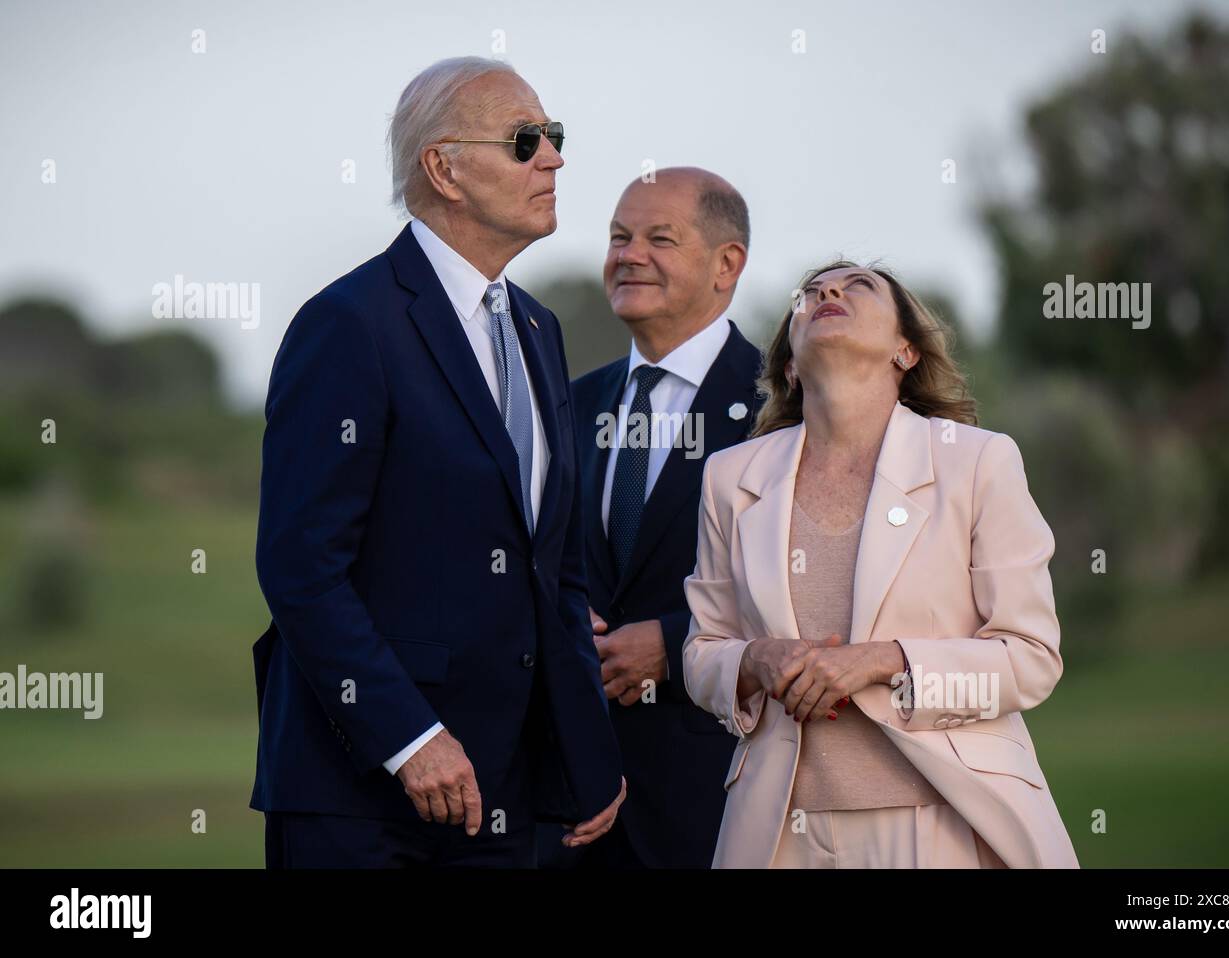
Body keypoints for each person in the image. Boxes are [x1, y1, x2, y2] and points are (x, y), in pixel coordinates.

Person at [251, 56, 624, 868]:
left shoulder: (536, 328)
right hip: (361, 797)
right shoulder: (350, 324)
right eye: (526, 140)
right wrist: (409, 737)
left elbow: (551, 570)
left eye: (554, 137)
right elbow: (301, 566)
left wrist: (586, 751)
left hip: (501, 799)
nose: (554, 158)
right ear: (444, 169)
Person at [681, 259, 1079, 868]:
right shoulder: (730, 478)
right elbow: (702, 654)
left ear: (906, 350)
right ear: (790, 363)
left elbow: (1030, 659)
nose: (827, 293)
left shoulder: (979, 462)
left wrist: (883, 660)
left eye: (856, 286)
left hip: (941, 822)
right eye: (809, 294)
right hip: (779, 836)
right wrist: (754, 660)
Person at [552, 168, 763, 868]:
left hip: (719, 795)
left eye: (659, 238)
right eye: (618, 237)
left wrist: (674, 645)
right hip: (574, 802)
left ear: (726, 264)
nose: (628, 254)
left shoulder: (783, 410)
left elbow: (823, 587)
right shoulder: (570, 404)